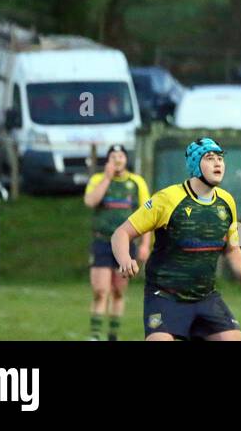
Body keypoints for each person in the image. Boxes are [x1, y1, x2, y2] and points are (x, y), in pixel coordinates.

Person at [113, 137, 241, 340]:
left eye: (220, 158)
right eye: (210, 158)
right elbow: (121, 233)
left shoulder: (228, 201)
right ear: (195, 163)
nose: (218, 163)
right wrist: (124, 259)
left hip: (206, 298)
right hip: (165, 297)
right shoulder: (166, 199)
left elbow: (233, 247)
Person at [83, 145, 151, 340]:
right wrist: (106, 178)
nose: (118, 160)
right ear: (108, 160)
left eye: (121, 156)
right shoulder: (98, 179)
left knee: (119, 291)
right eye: (113, 156)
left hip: (125, 246)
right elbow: (90, 201)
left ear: (126, 159)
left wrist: (145, 244)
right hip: (102, 241)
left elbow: (147, 215)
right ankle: (95, 335)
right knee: (100, 290)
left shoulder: (136, 182)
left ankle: (113, 334)